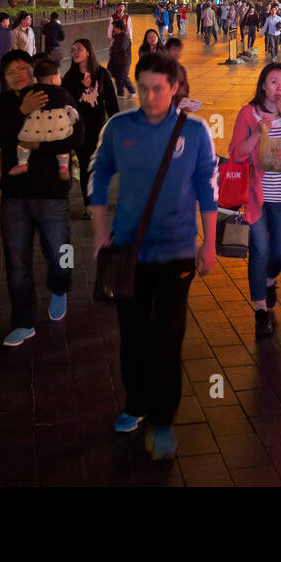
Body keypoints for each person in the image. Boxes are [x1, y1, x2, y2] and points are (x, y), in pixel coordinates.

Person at [90, 50, 217, 458]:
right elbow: (97, 176)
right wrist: (98, 232)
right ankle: (136, 400)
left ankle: (163, 419)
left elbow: (207, 190)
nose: (149, 96)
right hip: (130, 250)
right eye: (142, 88)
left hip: (178, 252)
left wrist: (209, 242)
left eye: (158, 89)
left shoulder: (195, 131)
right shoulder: (118, 127)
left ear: (175, 87)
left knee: (167, 335)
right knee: (132, 333)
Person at [0, 50, 86, 346]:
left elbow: (75, 136)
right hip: (14, 195)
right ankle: (23, 322)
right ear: (4, 78)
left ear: (32, 70)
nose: (17, 75)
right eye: (10, 72)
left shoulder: (56, 95)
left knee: (59, 253)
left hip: (51, 191)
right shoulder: (3, 104)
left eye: (21, 68)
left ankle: (60, 286)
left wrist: (38, 144)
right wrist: (21, 111)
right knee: (17, 261)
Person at [228, 63, 281, 338]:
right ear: (263, 85)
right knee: (260, 251)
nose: (279, 88)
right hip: (255, 198)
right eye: (273, 82)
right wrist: (255, 135)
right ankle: (260, 309)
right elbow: (236, 154)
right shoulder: (247, 114)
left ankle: (270, 279)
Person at [62, 38, 119, 220]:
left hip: (98, 129)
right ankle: (89, 204)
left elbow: (111, 103)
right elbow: (64, 105)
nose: (75, 52)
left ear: (88, 52)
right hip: (79, 130)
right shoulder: (70, 77)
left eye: (79, 48)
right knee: (87, 165)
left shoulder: (101, 74)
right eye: (73, 50)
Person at [9, 56, 80, 180]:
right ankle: (63, 166)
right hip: (58, 128)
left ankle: (22, 163)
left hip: (35, 127)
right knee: (63, 148)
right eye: (58, 75)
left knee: (23, 144)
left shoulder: (29, 92)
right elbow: (72, 112)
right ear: (53, 79)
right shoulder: (63, 93)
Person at [107, 6, 135, 99]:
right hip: (118, 61)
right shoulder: (118, 36)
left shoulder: (124, 37)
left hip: (124, 61)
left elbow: (121, 48)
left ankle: (131, 91)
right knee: (118, 77)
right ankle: (120, 94)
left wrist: (112, 50)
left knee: (122, 77)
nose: (113, 29)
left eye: (114, 27)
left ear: (119, 28)